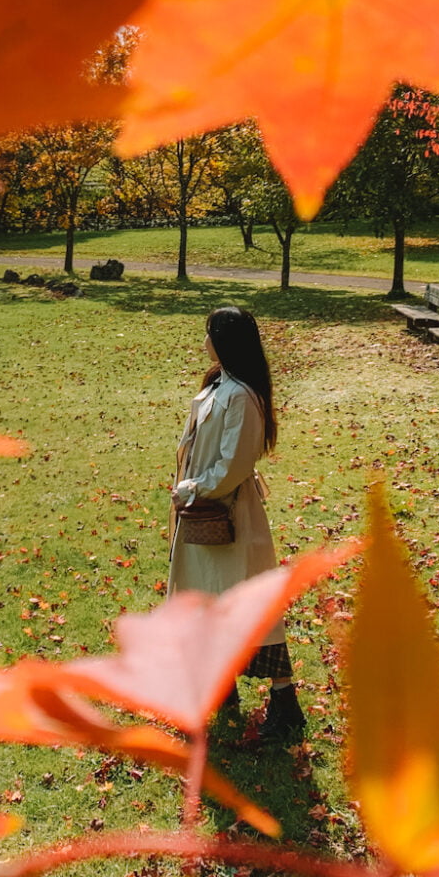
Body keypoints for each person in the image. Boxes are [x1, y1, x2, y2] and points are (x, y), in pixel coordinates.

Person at [168, 305, 305, 743]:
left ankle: (285, 707)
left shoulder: (241, 396)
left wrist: (193, 488)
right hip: (206, 516)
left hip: (228, 516)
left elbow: (233, 465)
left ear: (224, 340)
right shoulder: (218, 384)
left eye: (209, 332)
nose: (203, 340)